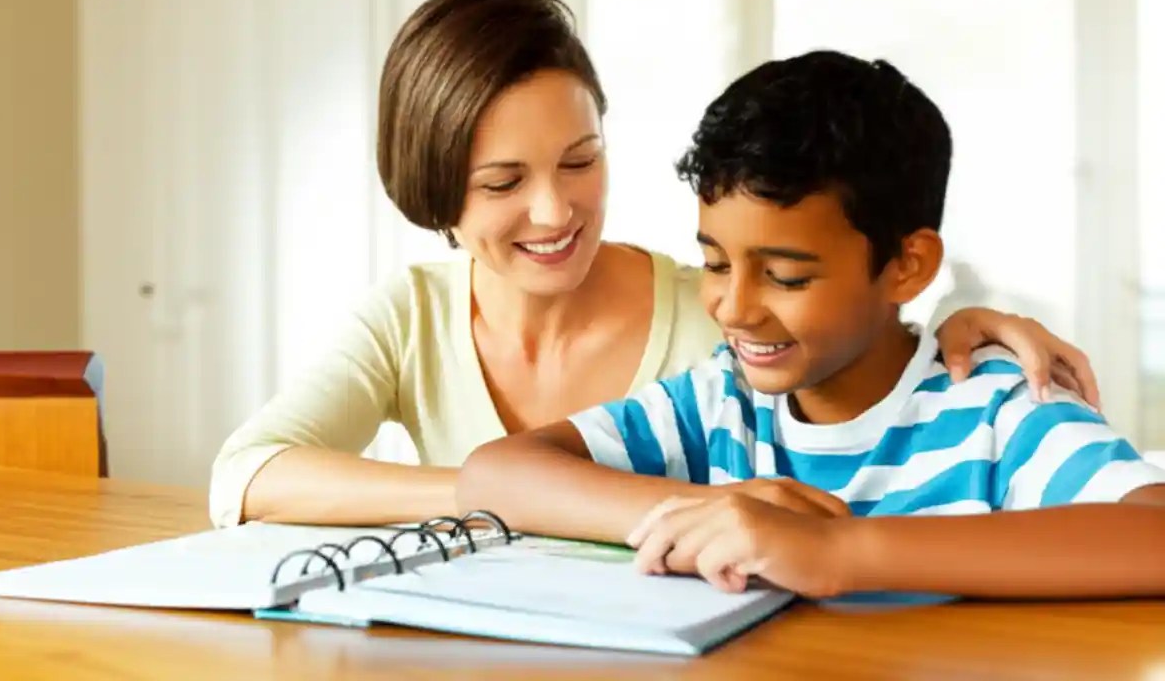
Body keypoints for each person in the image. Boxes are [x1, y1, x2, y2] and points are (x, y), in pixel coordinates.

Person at [209, 0, 1100, 529]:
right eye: (502, 182)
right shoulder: (411, 312)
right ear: (436, 190)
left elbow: (841, 351)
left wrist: (940, 330)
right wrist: (510, 495)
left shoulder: (716, 324)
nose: (555, 209)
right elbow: (248, 474)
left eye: (580, 161)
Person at [456, 50, 1165, 600]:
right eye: (713, 263)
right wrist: (719, 509)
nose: (735, 308)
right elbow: (495, 475)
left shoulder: (993, 406)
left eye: (787, 277)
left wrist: (836, 553)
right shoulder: (719, 405)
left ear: (907, 267)